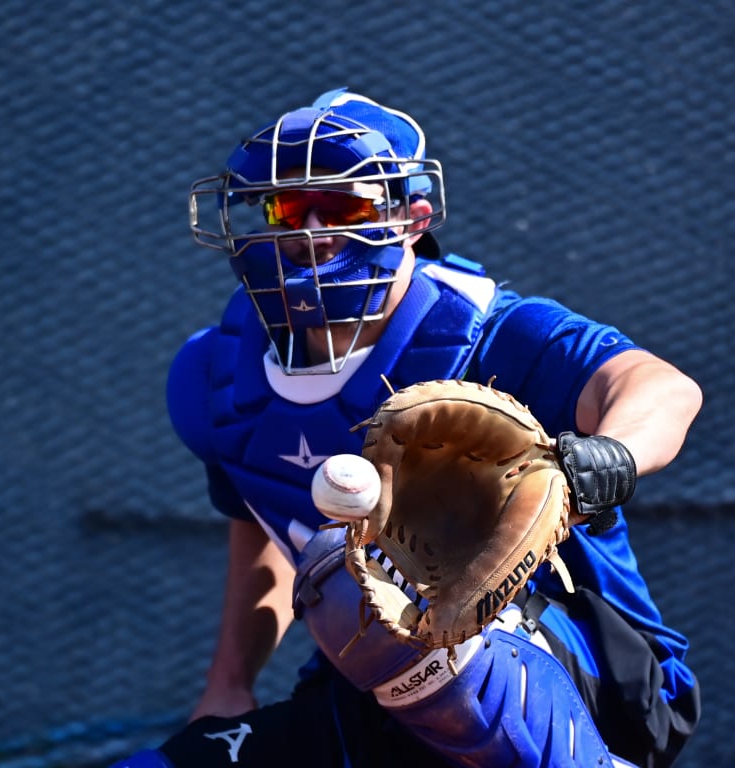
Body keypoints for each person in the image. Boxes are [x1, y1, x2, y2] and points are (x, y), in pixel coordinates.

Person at [114, 89, 703, 768]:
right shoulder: (217, 375)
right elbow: (264, 519)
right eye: (286, 207)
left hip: (592, 678)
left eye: (341, 206)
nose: (311, 231)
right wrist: (228, 685)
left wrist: (602, 458)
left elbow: (658, 386)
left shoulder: (488, 332)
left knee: (397, 596)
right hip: (372, 688)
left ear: (411, 217)